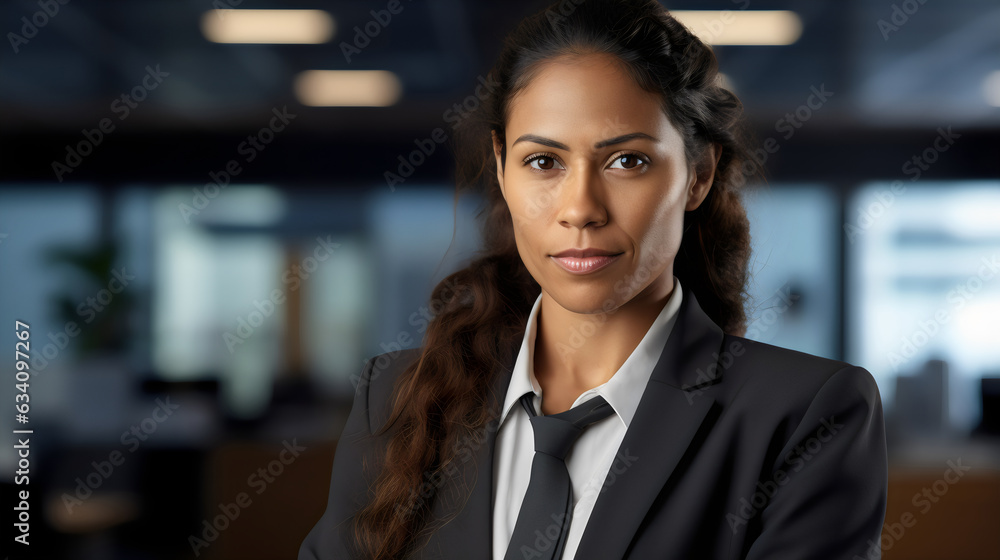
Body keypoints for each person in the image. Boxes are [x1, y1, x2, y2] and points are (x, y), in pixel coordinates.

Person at [299, 0, 888, 558]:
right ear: (502, 169)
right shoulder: (396, 399)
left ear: (698, 175)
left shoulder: (802, 416)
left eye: (626, 161)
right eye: (543, 162)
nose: (580, 208)